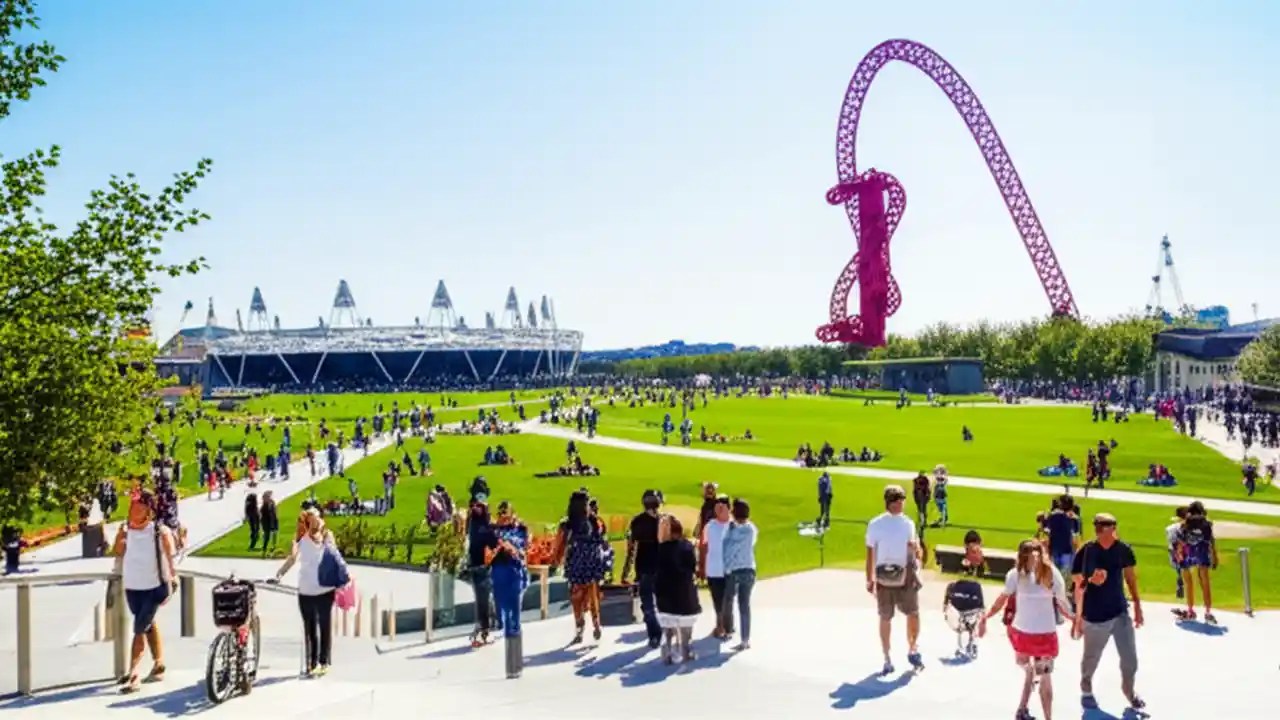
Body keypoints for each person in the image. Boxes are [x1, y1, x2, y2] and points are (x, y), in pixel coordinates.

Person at [981, 539, 1075, 720]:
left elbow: (1062, 603)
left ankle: (1041, 714)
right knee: (1031, 670)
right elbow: (1003, 598)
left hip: (1041, 635)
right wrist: (987, 616)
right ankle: (1025, 706)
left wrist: (1074, 619)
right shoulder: (1015, 575)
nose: (1033, 559)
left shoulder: (1051, 575)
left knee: (1043, 675)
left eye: (1036, 555)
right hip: (1024, 634)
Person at [1071, 513, 1145, 713]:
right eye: (1096, 526)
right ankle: (1086, 687)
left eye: (1102, 526)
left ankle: (1128, 690)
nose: (1097, 529)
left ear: (1113, 528)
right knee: (1091, 658)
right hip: (1095, 616)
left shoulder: (1124, 551)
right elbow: (1076, 578)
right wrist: (1089, 580)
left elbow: (1131, 579)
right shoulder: (1087, 550)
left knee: (1130, 659)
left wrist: (1137, 605)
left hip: (1119, 612)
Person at [111, 490, 178, 693]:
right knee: (147, 623)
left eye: (137, 507)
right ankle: (159, 664)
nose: (132, 511)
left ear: (148, 510)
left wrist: (173, 578)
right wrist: (120, 537)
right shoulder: (125, 530)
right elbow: (117, 551)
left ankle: (134, 674)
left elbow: (170, 556)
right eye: (131, 507)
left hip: (154, 587)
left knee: (139, 628)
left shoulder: (159, 531)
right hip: (133, 587)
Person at [865, 484, 924, 675]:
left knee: (913, 612)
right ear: (888, 502)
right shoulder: (876, 524)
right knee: (885, 616)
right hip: (884, 576)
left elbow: (917, 552)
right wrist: (869, 578)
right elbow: (870, 553)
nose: (900, 504)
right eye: (896, 500)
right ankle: (886, 656)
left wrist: (916, 549)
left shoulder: (908, 523)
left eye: (901, 500)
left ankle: (913, 647)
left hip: (905, 573)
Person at [273, 509, 338, 676]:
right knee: (309, 628)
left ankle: (323, 662)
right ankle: (311, 663)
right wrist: (279, 573)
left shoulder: (326, 534)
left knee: (324, 626)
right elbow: (293, 558)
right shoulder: (300, 538)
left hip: (325, 589)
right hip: (306, 590)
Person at [555, 490, 606, 644]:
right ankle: (596, 623)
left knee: (576, 595)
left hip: (576, 561)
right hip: (591, 561)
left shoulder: (567, 523)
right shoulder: (594, 521)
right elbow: (601, 538)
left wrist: (557, 560)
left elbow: (561, 543)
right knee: (593, 593)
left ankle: (579, 626)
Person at [489, 500, 530, 679]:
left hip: (514, 575)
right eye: (501, 513)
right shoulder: (492, 531)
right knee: (503, 618)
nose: (504, 517)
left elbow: (522, 550)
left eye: (507, 513)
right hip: (498, 576)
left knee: (514, 618)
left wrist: (510, 547)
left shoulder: (519, 529)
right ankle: (511, 664)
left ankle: (514, 666)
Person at [620, 489, 663, 648]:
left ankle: (655, 634)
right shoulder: (664, 520)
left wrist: (625, 571)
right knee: (662, 602)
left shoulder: (637, 521)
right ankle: (663, 630)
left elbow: (631, 548)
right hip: (662, 567)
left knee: (648, 605)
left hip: (644, 567)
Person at [655, 514, 701, 664]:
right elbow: (692, 566)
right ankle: (685, 651)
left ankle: (667, 653)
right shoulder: (687, 546)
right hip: (684, 592)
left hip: (666, 594)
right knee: (685, 627)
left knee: (668, 628)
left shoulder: (661, 550)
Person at [721, 498, 757, 651]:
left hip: (735, 570)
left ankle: (729, 629)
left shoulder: (732, 530)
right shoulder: (752, 529)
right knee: (744, 605)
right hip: (749, 569)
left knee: (728, 601)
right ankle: (745, 639)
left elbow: (727, 547)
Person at [1174, 501, 1218, 624]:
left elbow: (1181, 539)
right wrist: (1214, 556)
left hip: (1188, 553)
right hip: (1202, 552)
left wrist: (1179, 554)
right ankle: (1208, 612)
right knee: (1205, 582)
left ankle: (1190, 610)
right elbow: (1210, 541)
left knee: (1189, 583)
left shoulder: (1186, 522)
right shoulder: (1206, 523)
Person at [701, 495, 733, 639]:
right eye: (717, 507)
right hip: (713, 569)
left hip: (730, 570)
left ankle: (727, 626)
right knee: (717, 600)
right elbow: (703, 546)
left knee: (728, 600)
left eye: (722, 506)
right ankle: (720, 625)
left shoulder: (734, 526)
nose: (719, 509)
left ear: (729, 508)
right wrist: (701, 566)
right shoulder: (710, 526)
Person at [466, 496, 496, 646]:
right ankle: (483, 629)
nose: (475, 508)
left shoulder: (478, 525)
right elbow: (493, 544)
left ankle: (484, 628)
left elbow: (492, 544)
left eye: (479, 506)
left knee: (482, 599)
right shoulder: (479, 525)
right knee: (482, 599)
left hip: (478, 566)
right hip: (478, 567)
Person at [1164, 506, 1189, 599]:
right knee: (1182, 570)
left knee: (1181, 570)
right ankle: (1181, 586)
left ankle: (1181, 586)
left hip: (1179, 551)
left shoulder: (1171, 529)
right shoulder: (1174, 529)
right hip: (1179, 551)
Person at [260, 491, 280, 555]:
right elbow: (262, 516)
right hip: (267, 523)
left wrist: (276, 519)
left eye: (268, 497)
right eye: (266, 497)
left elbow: (275, 512)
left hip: (273, 521)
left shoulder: (272, 504)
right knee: (267, 536)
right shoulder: (263, 507)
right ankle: (264, 549)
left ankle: (273, 546)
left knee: (274, 533)